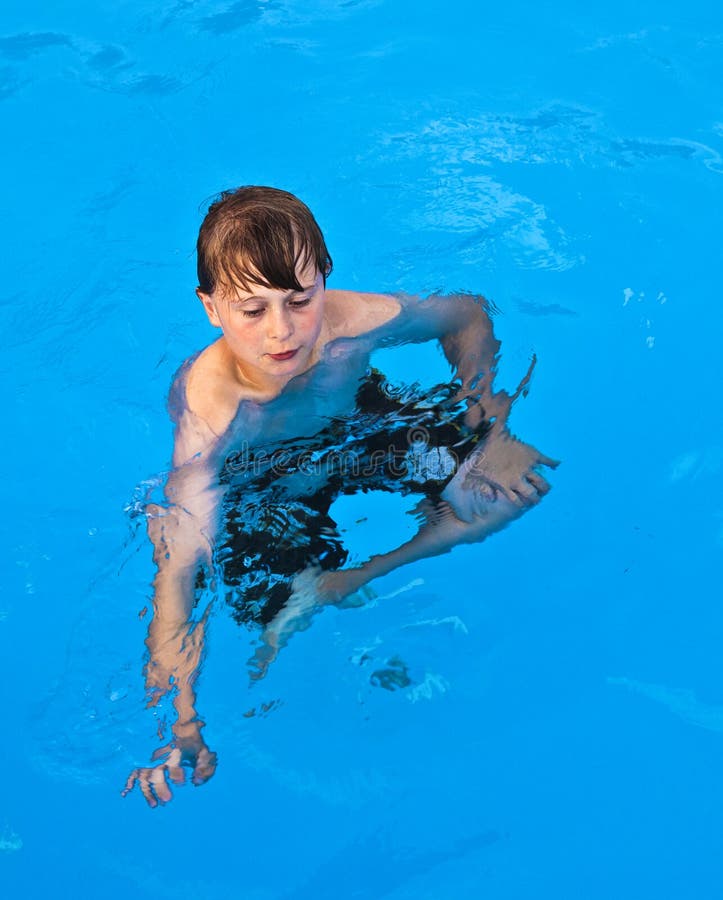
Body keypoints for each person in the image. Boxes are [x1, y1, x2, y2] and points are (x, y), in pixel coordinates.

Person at [122, 185, 558, 807]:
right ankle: (330, 583)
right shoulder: (212, 413)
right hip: (265, 486)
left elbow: (467, 314)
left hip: (362, 429)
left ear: (326, 278)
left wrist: (491, 425)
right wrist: (181, 715)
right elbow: (179, 562)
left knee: (503, 493)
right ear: (211, 308)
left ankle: (384, 561)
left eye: (301, 300)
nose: (283, 331)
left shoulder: (354, 321)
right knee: (275, 622)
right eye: (253, 311)